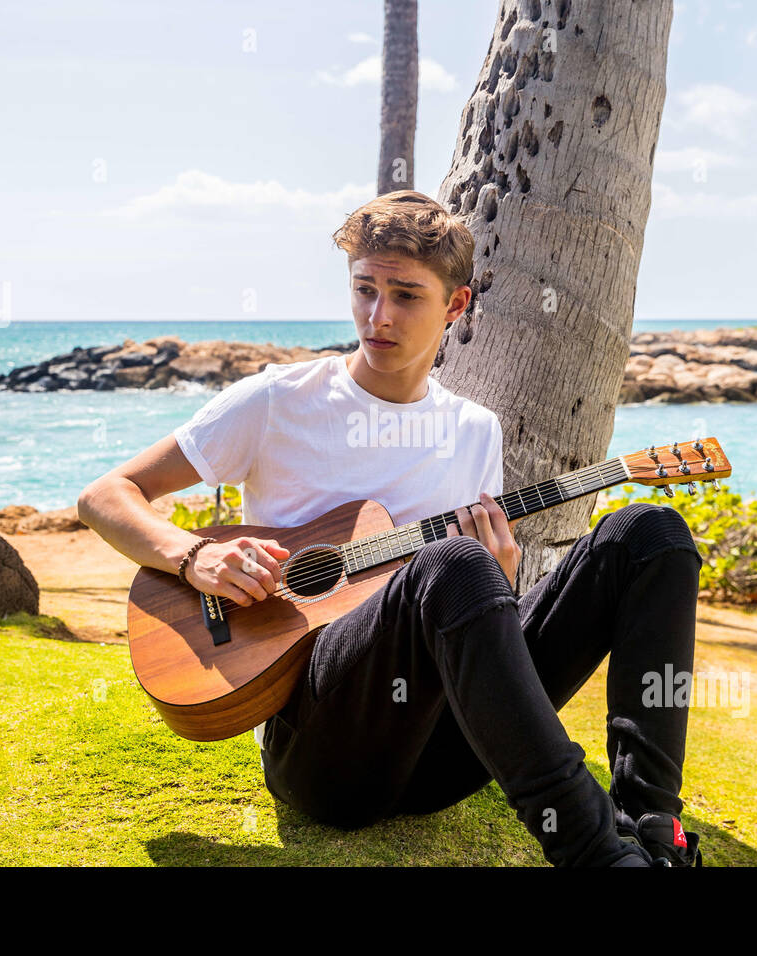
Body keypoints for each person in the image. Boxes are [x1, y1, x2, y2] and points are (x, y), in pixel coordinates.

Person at [77, 190, 703, 867]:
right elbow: (107, 494)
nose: (378, 316)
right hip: (324, 759)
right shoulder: (277, 401)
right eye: (364, 290)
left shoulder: (472, 429)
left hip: (442, 752)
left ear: (455, 306)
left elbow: (459, 609)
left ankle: (651, 826)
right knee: (452, 563)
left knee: (651, 532)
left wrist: (503, 583)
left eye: (406, 295)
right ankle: (597, 857)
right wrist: (193, 556)